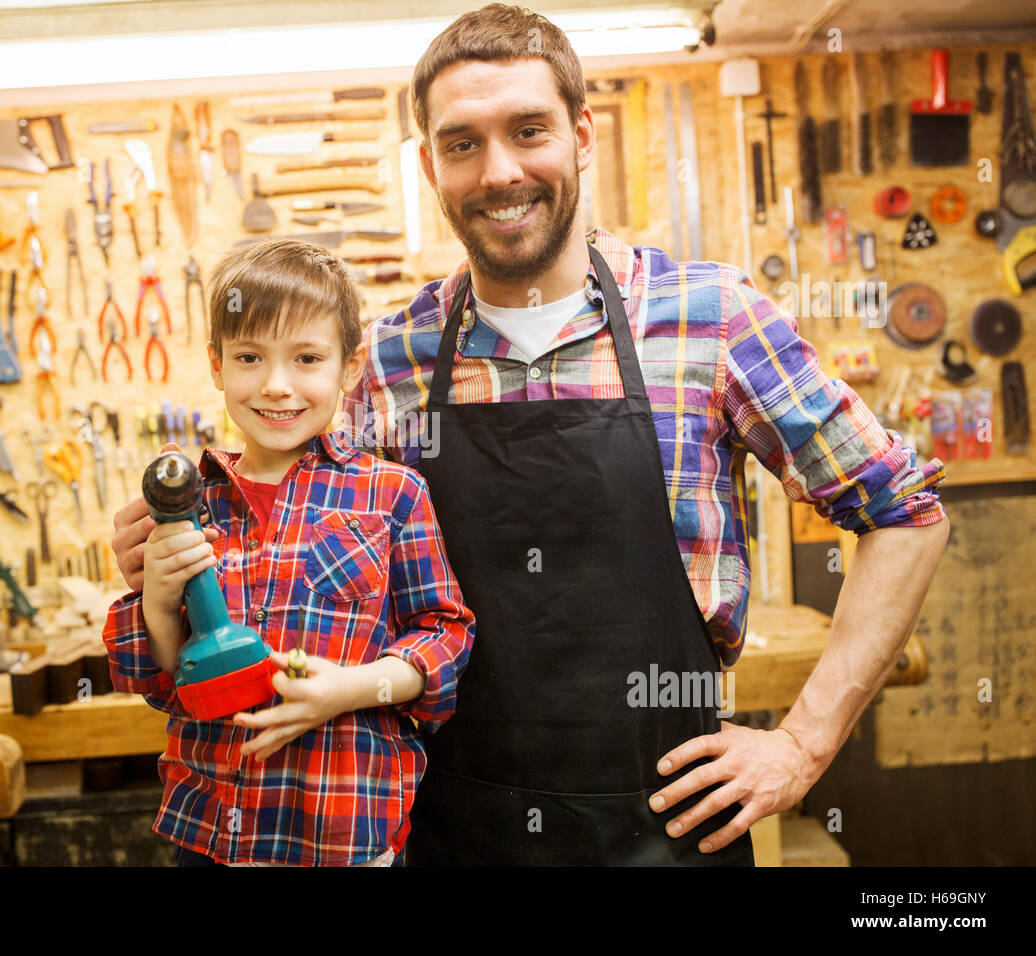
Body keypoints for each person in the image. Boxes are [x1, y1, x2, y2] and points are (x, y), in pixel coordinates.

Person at [115, 4, 950, 865]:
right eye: (462, 142)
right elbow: (282, 531)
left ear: (582, 133)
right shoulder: (390, 360)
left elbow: (906, 514)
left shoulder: (711, 322)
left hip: (666, 823)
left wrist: (803, 744)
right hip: (449, 830)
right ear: (431, 164)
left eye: (528, 130)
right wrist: (170, 546)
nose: (499, 170)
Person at [102, 239, 474, 866]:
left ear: (350, 367)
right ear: (217, 366)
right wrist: (162, 605)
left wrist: (349, 689)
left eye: (306, 358)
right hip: (213, 833)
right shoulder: (190, 504)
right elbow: (168, 679)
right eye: (250, 357)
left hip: (344, 831)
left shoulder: (392, 494)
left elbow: (444, 636)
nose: (277, 386)